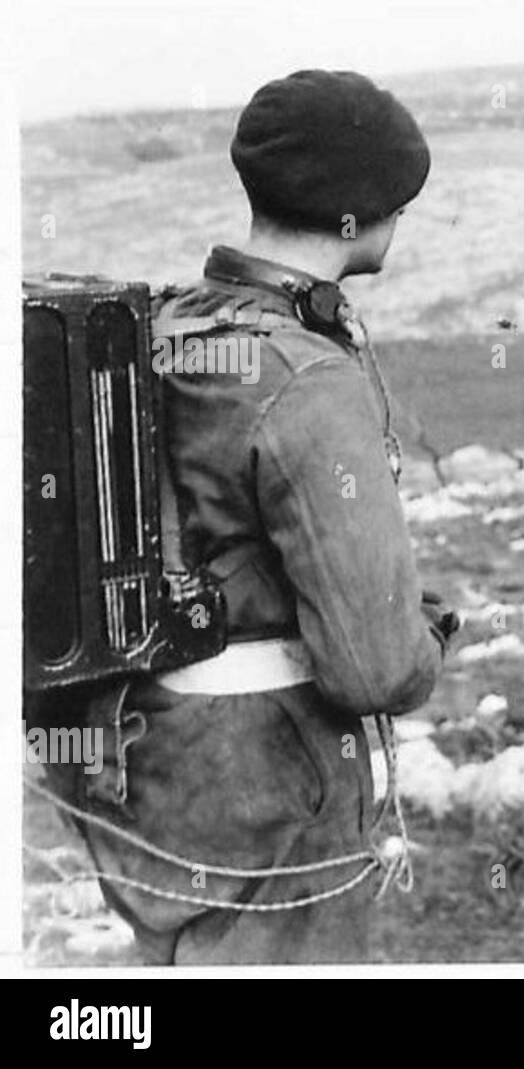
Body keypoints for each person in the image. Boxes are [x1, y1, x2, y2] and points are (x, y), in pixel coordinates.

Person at [34, 70, 448, 964]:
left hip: (142, 766)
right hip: (268, 786)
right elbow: (374, 669)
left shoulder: (158, 326)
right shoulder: (306, 377)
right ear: (366, 209)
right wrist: (429, 637)